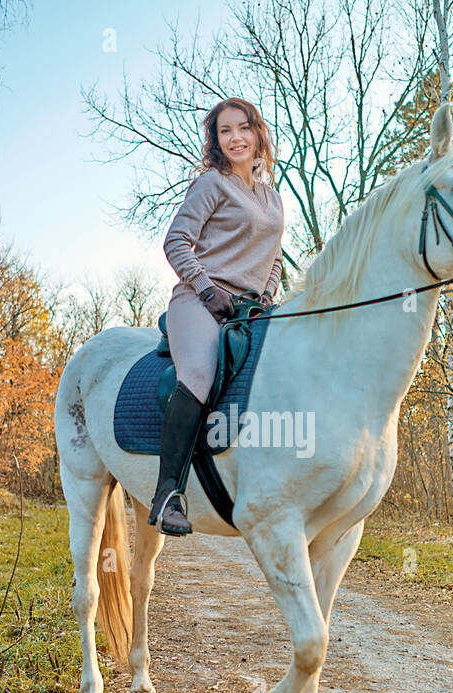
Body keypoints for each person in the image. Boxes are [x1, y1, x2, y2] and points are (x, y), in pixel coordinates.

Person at [152, 97, 285, 535]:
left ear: (258, 134)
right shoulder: (211, 183)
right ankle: (167, 494)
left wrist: (265, 297)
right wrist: (207, 290)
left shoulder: (273, 198)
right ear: (216, 140)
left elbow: (275, 259)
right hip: (199, 301)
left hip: (250, 308)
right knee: (199, 374)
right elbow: (176, 241)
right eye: (225, 131)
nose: (235, 138)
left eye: (243, 128)